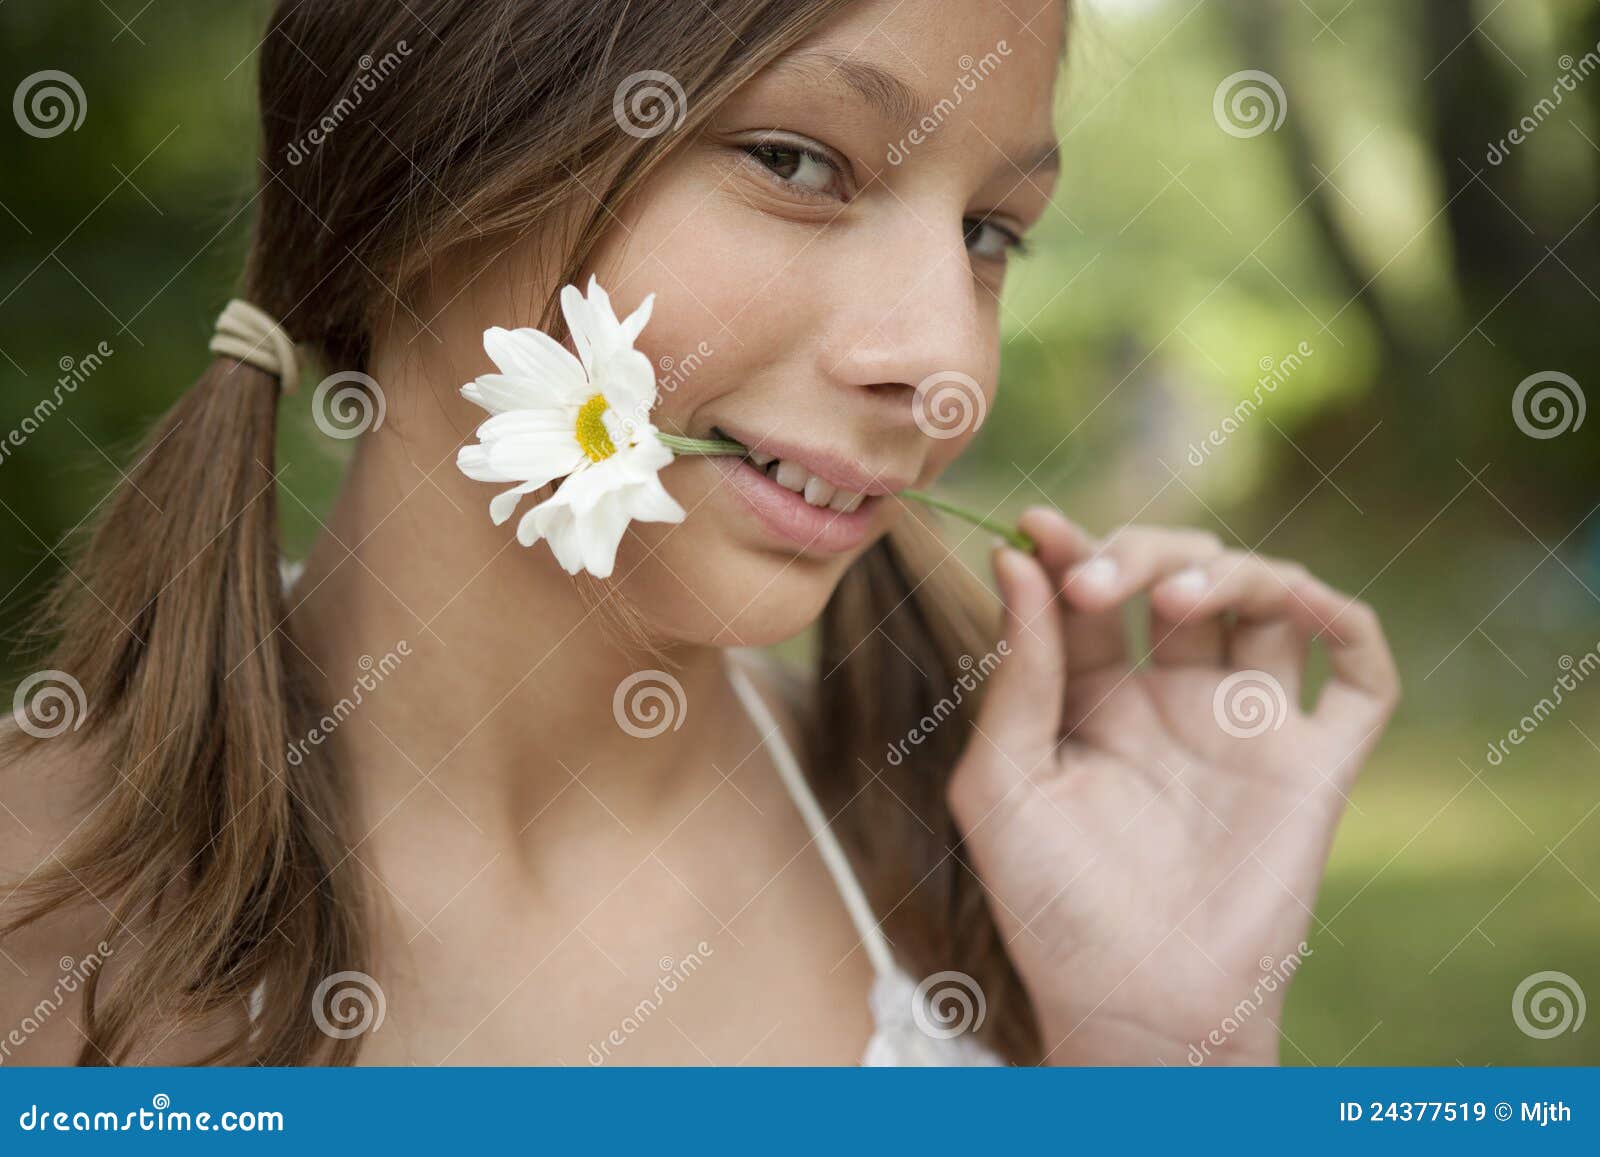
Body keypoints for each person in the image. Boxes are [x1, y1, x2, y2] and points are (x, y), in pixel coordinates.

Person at [0, 0, 1398, 1066]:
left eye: (989, 233)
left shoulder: (974, 862)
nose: (946, 364)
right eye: (797, 162)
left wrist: (1165, 1058)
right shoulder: (35, 909)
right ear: (432, 167)